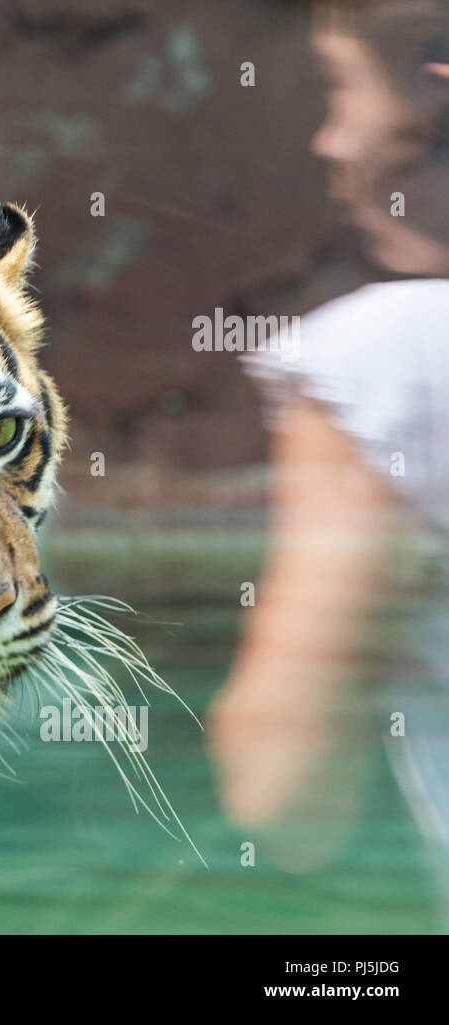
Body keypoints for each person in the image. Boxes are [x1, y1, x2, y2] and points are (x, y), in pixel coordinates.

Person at [208, 0, 449, 914]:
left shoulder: (386, 363)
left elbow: (284, 791)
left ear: (433, 101)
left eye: (343, 88)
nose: (327, 140)